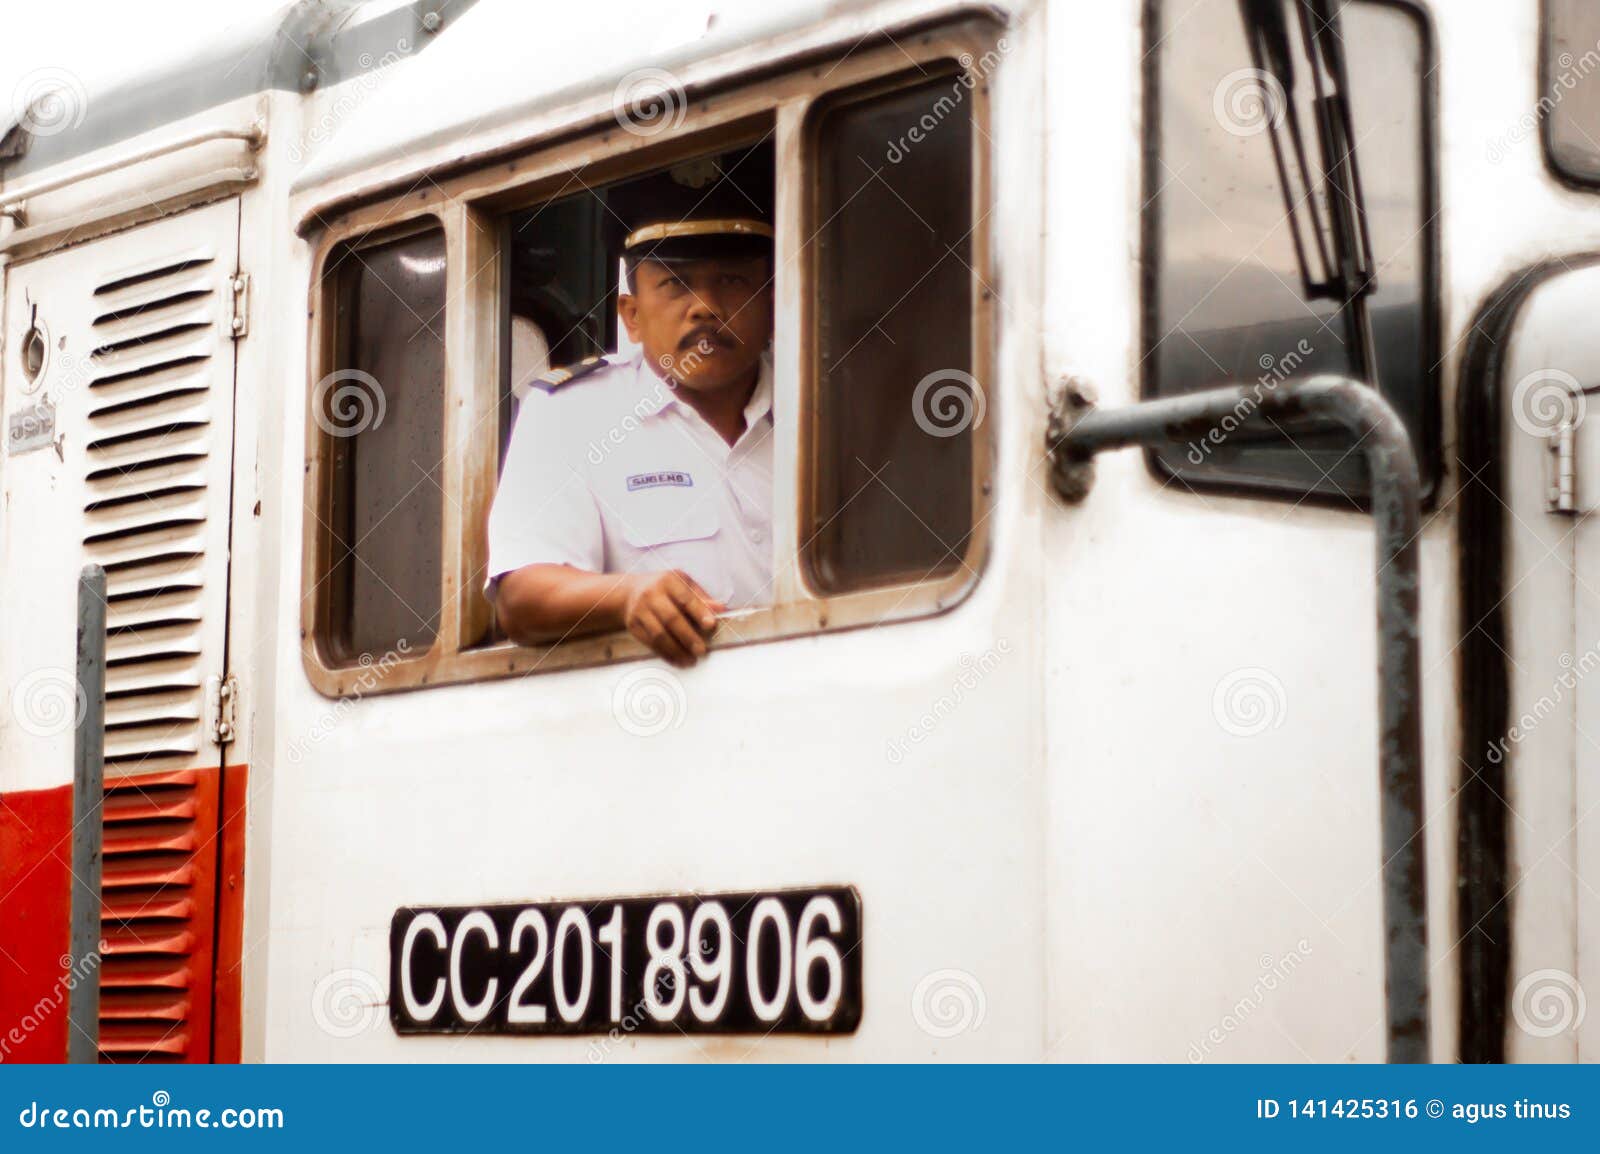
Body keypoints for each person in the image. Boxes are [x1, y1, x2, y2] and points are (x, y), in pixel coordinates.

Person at [486, 151, 775, 668]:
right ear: (632, 315)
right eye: (676, 284)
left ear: (773, 303)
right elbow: (522, 597)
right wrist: (627, 597)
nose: (705, 307)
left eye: (732, 280)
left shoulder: (825, 409)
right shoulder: (571, 415)